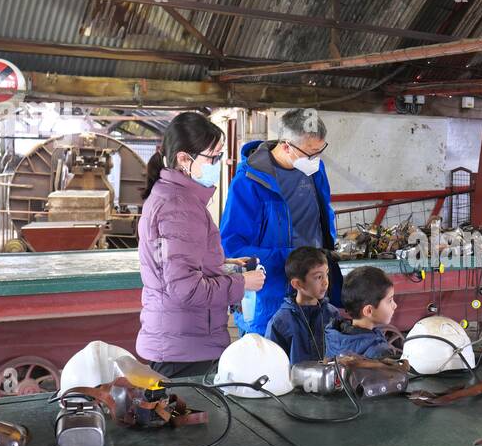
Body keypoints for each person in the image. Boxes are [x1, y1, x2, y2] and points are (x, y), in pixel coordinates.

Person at [137, 112, 266, 379]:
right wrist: (243, 284)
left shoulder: (172, 197)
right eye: (214, 157)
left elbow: (173, 266)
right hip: (187, 349)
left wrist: (223, 267)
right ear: (184, 159)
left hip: (178, 341)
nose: (218, 163)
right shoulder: (178, 208)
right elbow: (184, 287)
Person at [220, 107, 343, 338]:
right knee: (269, 367)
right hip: (269, 299)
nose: (314, 160)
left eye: (319, 152)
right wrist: (292, 257)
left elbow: (324, 214)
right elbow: (232, 247)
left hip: (313, 294)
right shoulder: (249, 182)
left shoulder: (315, 170)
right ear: (286, 146)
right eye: (309, 153)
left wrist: (328, 249)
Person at [265, 246, 340, 364]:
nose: (326, 282)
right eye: (318, 277)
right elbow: (273, 365)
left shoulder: (333, 314)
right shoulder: (280, 322)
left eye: (326, 274)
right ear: (298, 284)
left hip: (329, 380)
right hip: (294, 382)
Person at [325, 266, 398, 359]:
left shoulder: (334, 336)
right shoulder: (379, 352)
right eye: (390, 300)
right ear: (369, 311)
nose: (395, 305)